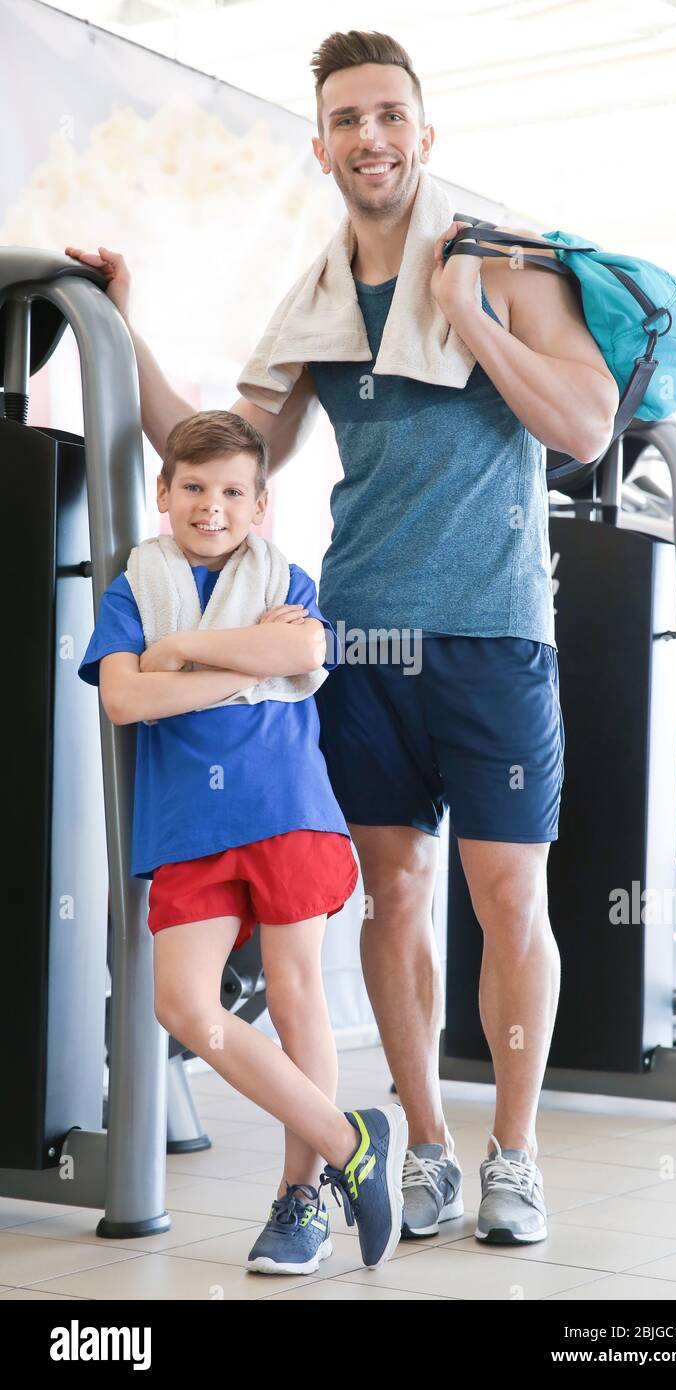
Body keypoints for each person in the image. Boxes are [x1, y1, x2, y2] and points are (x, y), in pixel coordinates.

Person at [66, 28, 619, 1248]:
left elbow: (584, 425)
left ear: (425, 134)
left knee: (506, 892)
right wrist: (122, 326)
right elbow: (212, 451)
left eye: (389, 115)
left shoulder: (511, 270)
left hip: (492, 633)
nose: (370, 137)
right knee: (395, 892)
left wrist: (465, 315)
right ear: (321, 147)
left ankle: (512, 1155)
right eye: (347, 120)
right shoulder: (319, 300)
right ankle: (421, 1144)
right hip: (362, 640)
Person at [76, 407, 408, 1275]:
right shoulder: (132, 585)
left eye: (231, 491)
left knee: (298, 995)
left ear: (260, 506)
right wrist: (251, 667)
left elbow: (304, 652)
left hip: (286, 808)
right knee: (183, 1006)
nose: (210, 506)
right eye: (193, 487)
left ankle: (298, 1202)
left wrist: (181, 650)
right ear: (164, 491)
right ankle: (351, 1141)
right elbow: (124, 701)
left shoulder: (283, 575)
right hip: (187, 829)